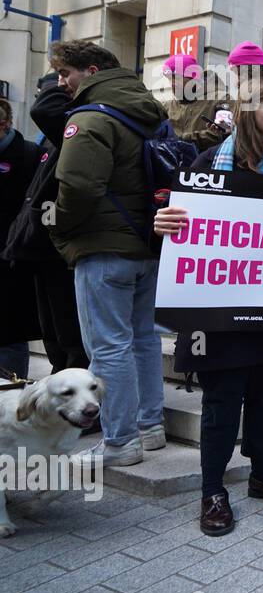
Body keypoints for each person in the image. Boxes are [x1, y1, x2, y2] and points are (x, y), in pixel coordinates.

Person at [153, 79, 263, 535]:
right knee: (222, 400)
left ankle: (262, 473)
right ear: (247, 108)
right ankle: (213, 490)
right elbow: (182, 228)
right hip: (217, 310)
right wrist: (163, 224)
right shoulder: (207, 164)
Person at [48, 40, 168, 467]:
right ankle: (151, 427)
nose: (62, 82)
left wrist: (58, 225)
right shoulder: (148, 112)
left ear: (91, 70)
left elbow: (78, 186)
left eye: (66, 73)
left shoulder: (89, 117)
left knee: (108, 348)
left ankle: (120, 442)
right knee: (143, 340)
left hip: (103, 248)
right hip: (149, 246)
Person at [2, 78, 89, 374]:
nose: (41, 97)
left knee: (65, 331)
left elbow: (44, 111)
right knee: (51, 330)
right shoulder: (47, 142)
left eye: (65, 76)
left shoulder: (72, 129)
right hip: (32, 247)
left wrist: (61, 86)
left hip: (57, 247)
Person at [0, 97, 42, 379]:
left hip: (13, 260)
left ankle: (11, 396)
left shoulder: (29, 155)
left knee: (10, 333)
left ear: (4, 124)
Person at [161, 53, 229, 152]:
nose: (173, 83)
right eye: (170, 78)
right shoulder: (166, 106)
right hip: (172, 165)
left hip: (206, 165)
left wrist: (180, 139)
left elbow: (223, 133)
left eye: (178, 78)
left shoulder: (220, 99)